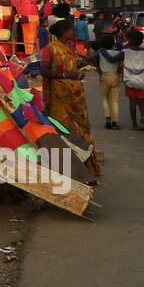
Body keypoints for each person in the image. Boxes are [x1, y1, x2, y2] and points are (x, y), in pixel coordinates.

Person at [40, 18, 101, 177]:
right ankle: (68, 168)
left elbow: (73, 65)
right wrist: (66, 74)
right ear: (64, 32)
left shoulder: (70, 48)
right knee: (65, 130)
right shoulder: (50, 49)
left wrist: (86, 62)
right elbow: (44, 71)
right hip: (59, 97)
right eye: (72, 30)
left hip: (75, 96)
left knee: (82, 128)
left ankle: (86, 165)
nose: (75, 32)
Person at [122, 29, 144, 130]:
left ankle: (134, 124)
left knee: (132, 102)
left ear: (129, 40)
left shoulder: (125, 52)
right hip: (141, 80)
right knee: (142, 103)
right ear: (141, 41)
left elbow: (121, 64)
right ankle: (142, 120)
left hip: (129, 81)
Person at [96, 32, 125, 130]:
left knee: (105, 98)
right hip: (115, 76)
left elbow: (96, 64)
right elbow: (121, 65)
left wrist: (100, 73)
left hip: (104, 76)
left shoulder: (100, 53)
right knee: (115, 100)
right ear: (113, 44)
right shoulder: (119, 53)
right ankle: (115, 122)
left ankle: (108, 120)